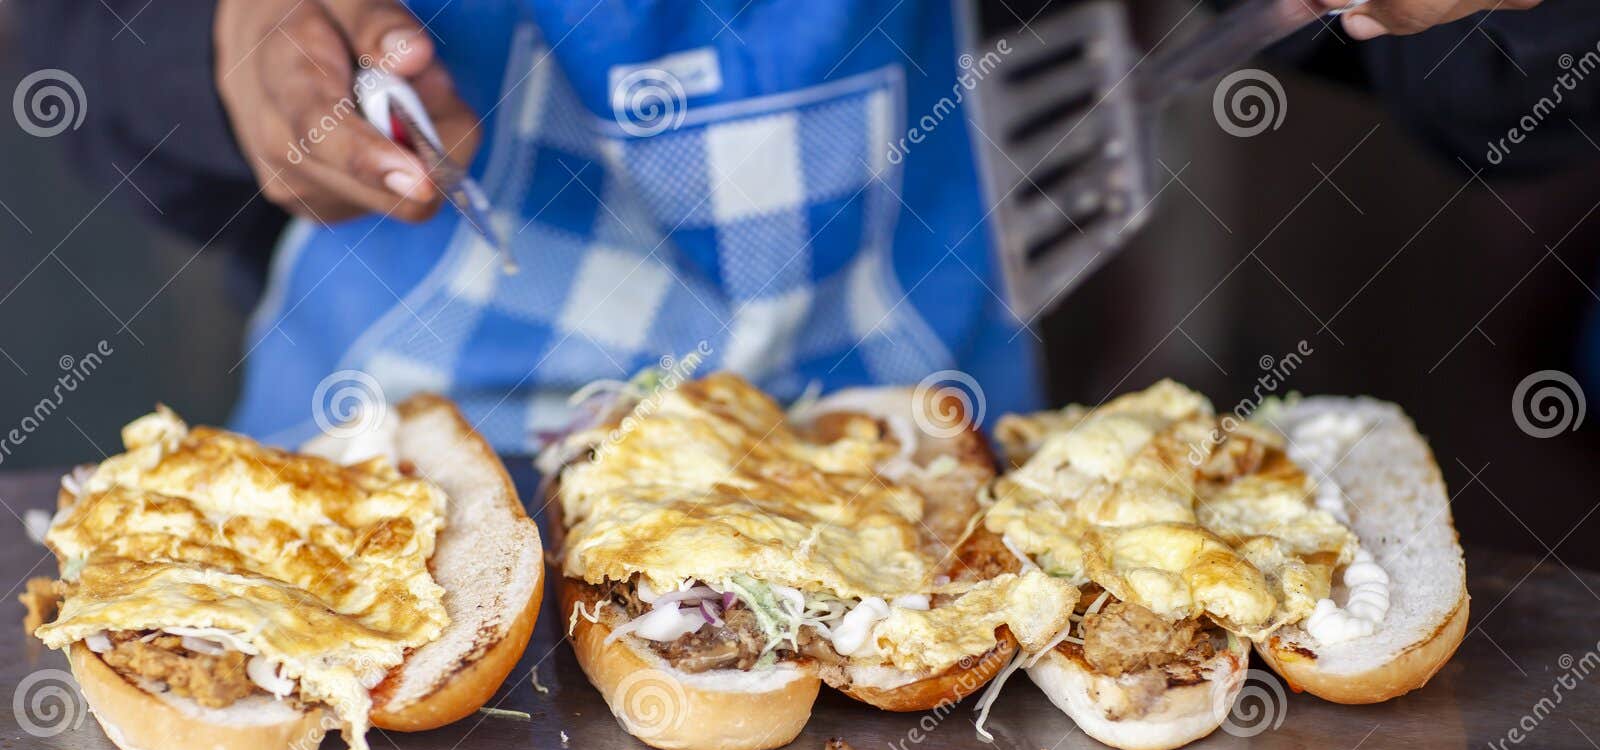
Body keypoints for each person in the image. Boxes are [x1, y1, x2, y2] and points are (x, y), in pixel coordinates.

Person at [22, 0, 1584, 450]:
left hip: (916, 526)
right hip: (375, 536)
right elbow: (66, 54)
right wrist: (224, 56)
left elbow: (1483, 100)